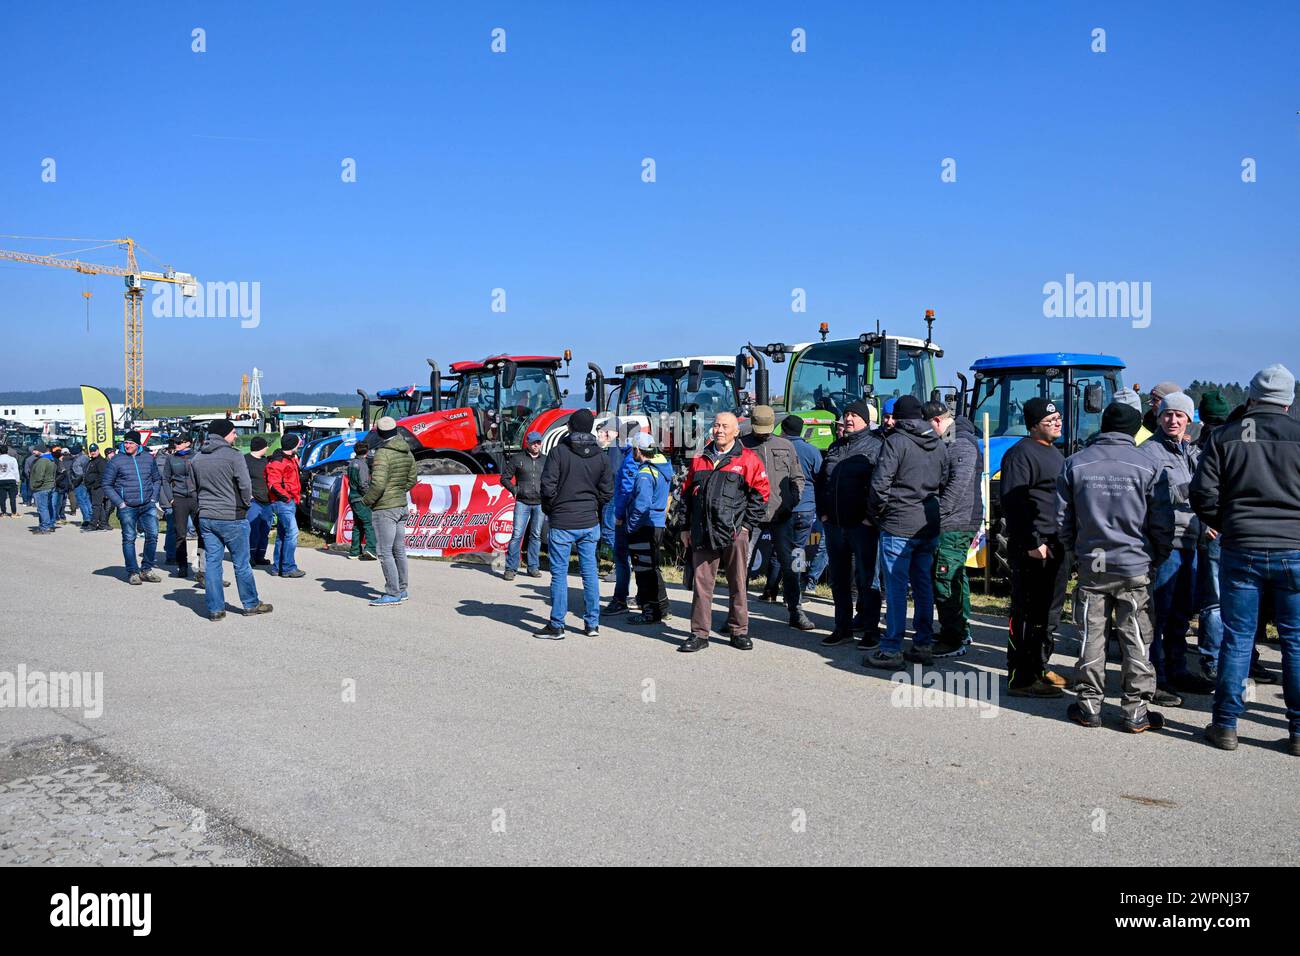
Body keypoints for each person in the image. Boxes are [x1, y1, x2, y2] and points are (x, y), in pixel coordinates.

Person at [1191, 364, 1300, 755]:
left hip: (1242, 545)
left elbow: (1201, 494)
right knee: (1295, 641)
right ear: (1288, 401)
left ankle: (1225, 726)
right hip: (1294, 549)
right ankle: (1298, 732)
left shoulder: (1224, 436)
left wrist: (1228, 523)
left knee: (1237, 638)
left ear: (1251, 397)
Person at [1058, 402, 1173, 732]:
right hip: (1134, 563)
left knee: (1091, 634)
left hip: (1093, 562)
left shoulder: (1075, 464)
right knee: (1136, 634)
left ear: (1103, 425)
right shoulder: (1150, 465)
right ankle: (1135, 711)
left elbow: (1063, 520)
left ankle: (1089, 705)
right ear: (1135, 429)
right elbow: (1161, 521)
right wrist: (1156, 557)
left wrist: (1075, 552)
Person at [1142, 391, 1215, 696]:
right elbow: (1150, 494)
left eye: (1179, 416)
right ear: (1159, 418)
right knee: (1158, 612)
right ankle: (1155, 676)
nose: (1173, 420)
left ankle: (1178, 668)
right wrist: (1195, 489)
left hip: (1193, 542)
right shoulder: (1149, 452)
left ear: (1189, 420)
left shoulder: (1192, 452)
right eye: (1168, 415)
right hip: (1166, 545)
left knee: (1182, 613)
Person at [863, 396, 945, 668]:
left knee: (896, 588)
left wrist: (878, 514)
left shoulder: (896, 441)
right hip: (927, 522)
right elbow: (944, 481)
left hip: (898, 522)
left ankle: (891, 648)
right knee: (922, 585)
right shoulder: (938, 443)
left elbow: (880, 484)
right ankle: (923, 643)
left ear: (897, 417)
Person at [679, 411, 769, 652]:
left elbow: (761, 496)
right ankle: (699, 634)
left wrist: (746, 526)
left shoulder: (748, 459)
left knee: (738, 583)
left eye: (725, 426)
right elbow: (687, 496)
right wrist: (685, 527)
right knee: (701, 585)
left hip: (734, 533)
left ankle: (738, 631)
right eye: (717, 425)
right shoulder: (699, 458)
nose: (719, 430)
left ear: (736, 431)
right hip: (702, 532)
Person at [998, 398, 1068, 696]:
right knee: (1027, 613)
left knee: (1048, 614)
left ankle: (1040, 665)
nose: (1056, 422)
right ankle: (1021, 677)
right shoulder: (1020, 454)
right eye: (1049, 419)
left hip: (1057, 546)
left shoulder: (1057, 454)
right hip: (1033, 548)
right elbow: (1014, 502)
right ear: (1033, 424)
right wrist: (1032, 543)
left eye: (1058, 417)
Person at [538, 409, 613, 638]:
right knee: (589, 573)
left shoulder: (559, 452)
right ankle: (592, 624)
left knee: (559, 574)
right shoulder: (601, 456)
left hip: (562, 520)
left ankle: (557, 625)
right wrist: (592, 505)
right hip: (589, 520)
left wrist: (552, 508)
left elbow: (547, 487)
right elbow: (607, 491)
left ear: (569, 427)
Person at [816, 401, 883, 648]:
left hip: (862, 526)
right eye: (847, 415)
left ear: (866, 420)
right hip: (834, 525)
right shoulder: (835, 447)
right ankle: (842, 628)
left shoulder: (876, 447)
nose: (849, 419)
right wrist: (822, 512)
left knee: (867, 579)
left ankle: (871, 630)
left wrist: (870, 518)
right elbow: (821, 481)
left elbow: (882, 484)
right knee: (839, 580)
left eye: (855, 415)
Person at [190, 420, 271, 621]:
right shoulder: (234, 456)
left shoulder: (198, 457)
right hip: (232, 516)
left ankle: (215, 608)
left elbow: (192, 488)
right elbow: (245, 485)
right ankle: (250, 603)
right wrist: (245, 504)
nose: (235, 436)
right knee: (241, 563)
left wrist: (202, 507)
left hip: (207, 516)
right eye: (233, 432)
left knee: (213, 564)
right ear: (225, 434)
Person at [742, 405, 810, 630]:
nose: (763, 433)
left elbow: (797, 478)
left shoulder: (785, 446)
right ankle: (737, 616)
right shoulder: (741, 444)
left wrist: (791, 502)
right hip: (750, 517)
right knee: (741, 566)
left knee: (790, 565)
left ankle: (795, 611)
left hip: (782, 516)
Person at [931, 402, 984, 658]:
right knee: (955, 576)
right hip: (956, 521)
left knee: (945, 578)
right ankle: (960, 630)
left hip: (955, 522)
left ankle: (952, 639)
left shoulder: (960, 443)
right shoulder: (953, 440)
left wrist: (935, 513)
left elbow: (956, 487)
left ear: (938, 421)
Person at [1193, 389, 1230, 681]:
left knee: (1213, 600)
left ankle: (1212, 659)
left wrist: (1208, 521)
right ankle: (1242, 659)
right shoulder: (1235, 443)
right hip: (1239, 530)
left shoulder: (1201, 446)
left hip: (1212, 531)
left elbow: (1201, 491)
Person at [363, 416, 418, 607]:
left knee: (385, 552)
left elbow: (377, 484)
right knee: (399, 550)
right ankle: (402, 589)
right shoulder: (406, 451)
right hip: (401, 505)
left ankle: (392, 592)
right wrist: (398, 491)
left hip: (385, 508)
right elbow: (412, 478)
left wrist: (367, 501)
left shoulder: (382, 454)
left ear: (379, 433)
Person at [624, 431, 673, 625]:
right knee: (653, 568)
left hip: (644, 526)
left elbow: (641, 505)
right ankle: (662, 607)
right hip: (658, 523)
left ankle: (649, 612)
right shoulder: (662, 465)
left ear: (638, 449)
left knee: (644, 570)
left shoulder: (645, 474)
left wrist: (630, 526)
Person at [101, 430, 163, 584]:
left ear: (138, 444)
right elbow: (106, 484)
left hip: (147, 505)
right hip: (127, 506)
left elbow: (156, 479)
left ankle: (146, 569)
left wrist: (153, 498)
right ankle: (133, 571)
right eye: (125, 443)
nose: (127, 445)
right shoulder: (116, 461)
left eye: (131, 443)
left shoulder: (148, 458)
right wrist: (120, 503)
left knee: (153, 536)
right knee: (129, 538)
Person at [780, 416, 825, 596]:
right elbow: (821, 477)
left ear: (783, 429)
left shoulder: (779, 448)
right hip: (806, 507)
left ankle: (780, 587)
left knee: (782, 549)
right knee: (798, 549)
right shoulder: (812, 450)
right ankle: (795, 588)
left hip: (783, 507)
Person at [599, 417, 636, 612]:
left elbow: (614, 473)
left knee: (609, 531)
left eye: (605, 431)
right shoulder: (623, 449)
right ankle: (622, 563)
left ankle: (621, 564)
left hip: (615, 496)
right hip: (618, 496)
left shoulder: (617, 448)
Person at [502, 431, 545, 580]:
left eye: (538, 442)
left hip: (540, 503)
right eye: (533, 442)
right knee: (517, 535)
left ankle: (533, 567)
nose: (536, 445)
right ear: (527, 443)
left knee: (536, 535)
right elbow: (505, 478)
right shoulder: (517, 458)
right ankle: (510, 568)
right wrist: (515, 489)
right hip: (522, 502)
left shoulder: (545, 460)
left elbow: (552, 478)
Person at [159, 437, 203, 580]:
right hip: (179, 499)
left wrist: (201, 496)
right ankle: (182, 565)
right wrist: (171, 498)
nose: (175, 445)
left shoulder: (197, 456)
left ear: (188, 443)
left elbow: (203, 477)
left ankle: (202, 565)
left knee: (202, 533)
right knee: (180, 534)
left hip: (195, 499)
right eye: (174, 443)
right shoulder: (171, 458)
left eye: (179, 442)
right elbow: (165, 479)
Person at [264, 433, 305, 578]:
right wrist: (287, 497)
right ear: (292, 445)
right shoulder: (278, 461)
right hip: (283, 502)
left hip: (289, 501)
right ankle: (288, 567)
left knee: (283, 534)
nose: (299, 446)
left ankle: (278, 567)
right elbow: (273, 485)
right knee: (292, 533)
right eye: (298, 444)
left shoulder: (290, 459)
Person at [346, 441, 378, 561]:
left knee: (357, 524)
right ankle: (370, 549)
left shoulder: (351, 463)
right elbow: (364, 484)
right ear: (367, 451)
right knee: (369, 524)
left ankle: (354, 551)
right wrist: (370, 497)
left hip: (353, 497)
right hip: (361, 498)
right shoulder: (362, 465)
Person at [245, 437, 274, 566]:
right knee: (253, 530)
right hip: (254, 501)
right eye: (266, 446)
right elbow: (240, 479)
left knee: (265, 529)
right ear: (261, 447)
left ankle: (260, 555)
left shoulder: (266, 461)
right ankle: (250, 556)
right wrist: (248, 495)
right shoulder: (245, 460)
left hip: (267, 501)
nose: (267, 448)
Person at [29, 444, 58, 533]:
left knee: (42, 508)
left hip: (42, 487)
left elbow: (39, 476)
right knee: (48, 507)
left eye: (35, 450)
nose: (33, 452)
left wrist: (34, 486)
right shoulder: (51, 459)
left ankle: (45, 527)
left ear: (39, 450)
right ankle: (49, 524)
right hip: (49, 486)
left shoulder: (42, 461)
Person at [83, 444, 110, 530]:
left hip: (98, 487)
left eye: (94, 450)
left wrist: (95, 485)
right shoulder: (92, 461)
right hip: (92, 487)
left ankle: (93, 524)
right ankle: (103, 524)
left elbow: (103, 475)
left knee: (96, 506)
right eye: (91, 451)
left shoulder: (101, 461)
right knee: (99, 506)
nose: (93, 452)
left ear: (98, 450)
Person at [69, 445, 92, 527]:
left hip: (79, 483)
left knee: (82, 501)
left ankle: (87, 519)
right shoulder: (86, 457)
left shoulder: (76, 462)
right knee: (87, 500)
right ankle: (92, 517)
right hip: (87, 481)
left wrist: (74, 483)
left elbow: (79, 474)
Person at [0, 445, 18, 517]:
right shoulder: (12, 459)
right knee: (12, 497)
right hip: (11, 479)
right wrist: (17, 480)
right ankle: (14, 512)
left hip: (1, 480)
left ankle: (3, 512)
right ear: (7, 451)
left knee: (2, 497)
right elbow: (16, 471)